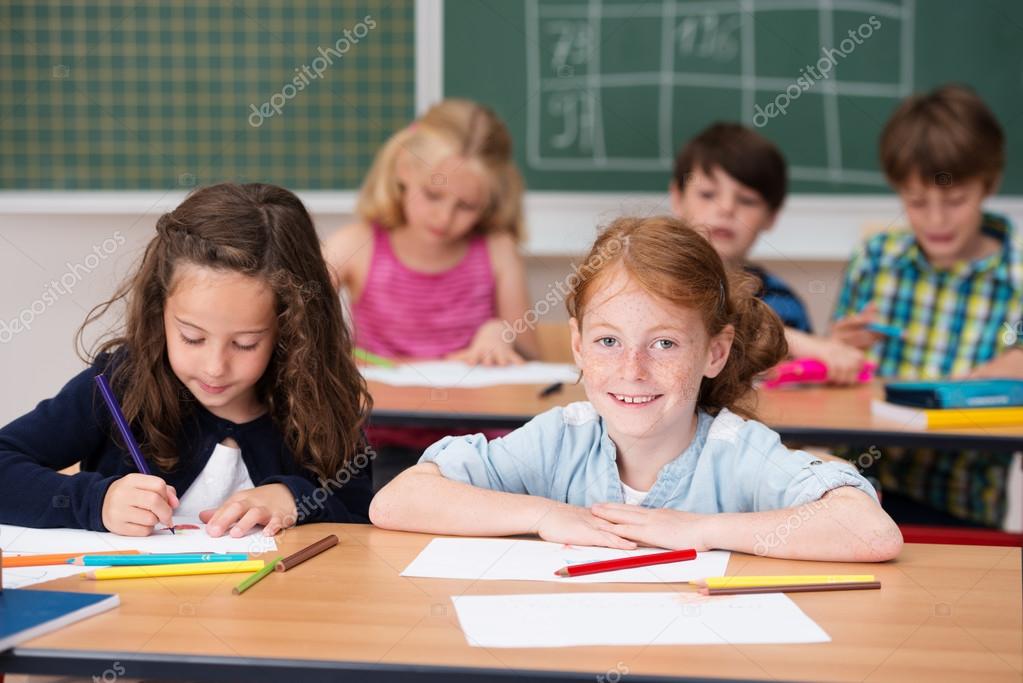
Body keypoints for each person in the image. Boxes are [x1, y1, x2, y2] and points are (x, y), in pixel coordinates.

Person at [370, 216, 902, 561]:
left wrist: (701, 529)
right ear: (577, 346)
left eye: (665, 344)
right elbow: (397, 502)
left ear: (714, 352)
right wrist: (543, 514)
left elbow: (870, 530)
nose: (633, 369)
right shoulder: (559, 439)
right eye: (608, 341)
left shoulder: (735, 451)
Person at [0, 183, 373, 536]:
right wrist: (97, 502)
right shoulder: (123, 383)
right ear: (159, 310)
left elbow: (361, 522)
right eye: (192, 337)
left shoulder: (321, 401)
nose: (214, 366)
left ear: (291, 328)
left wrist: (298, 500)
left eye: (245, 344)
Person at [831, 84, 1023, 528]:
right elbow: (833, 390)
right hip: (858, 492)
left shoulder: (1017, 274)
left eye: (955, 201)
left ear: (989, 185)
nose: (935, 219)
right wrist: (834, 352)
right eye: (916, 202)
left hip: (958, 504)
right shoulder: (876, 260)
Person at [323, 98, 539, 365]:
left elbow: (532, 362)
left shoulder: (498, 250)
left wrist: (503, 334)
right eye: (432, 194)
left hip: (471, 405)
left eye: (466, 206)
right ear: (404, 169)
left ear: (489, 201)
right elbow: (290, 315)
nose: (444, 217)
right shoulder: (356, 244)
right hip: (377, 405)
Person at [670, 122, 867, 385]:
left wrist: (827, 358)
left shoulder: (785, 302)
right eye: (708, 194)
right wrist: (799, 343)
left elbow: (800, 388)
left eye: (747, 200)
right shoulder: (657, 283)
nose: (726, 209)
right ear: (677, 198)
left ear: (771, 216)